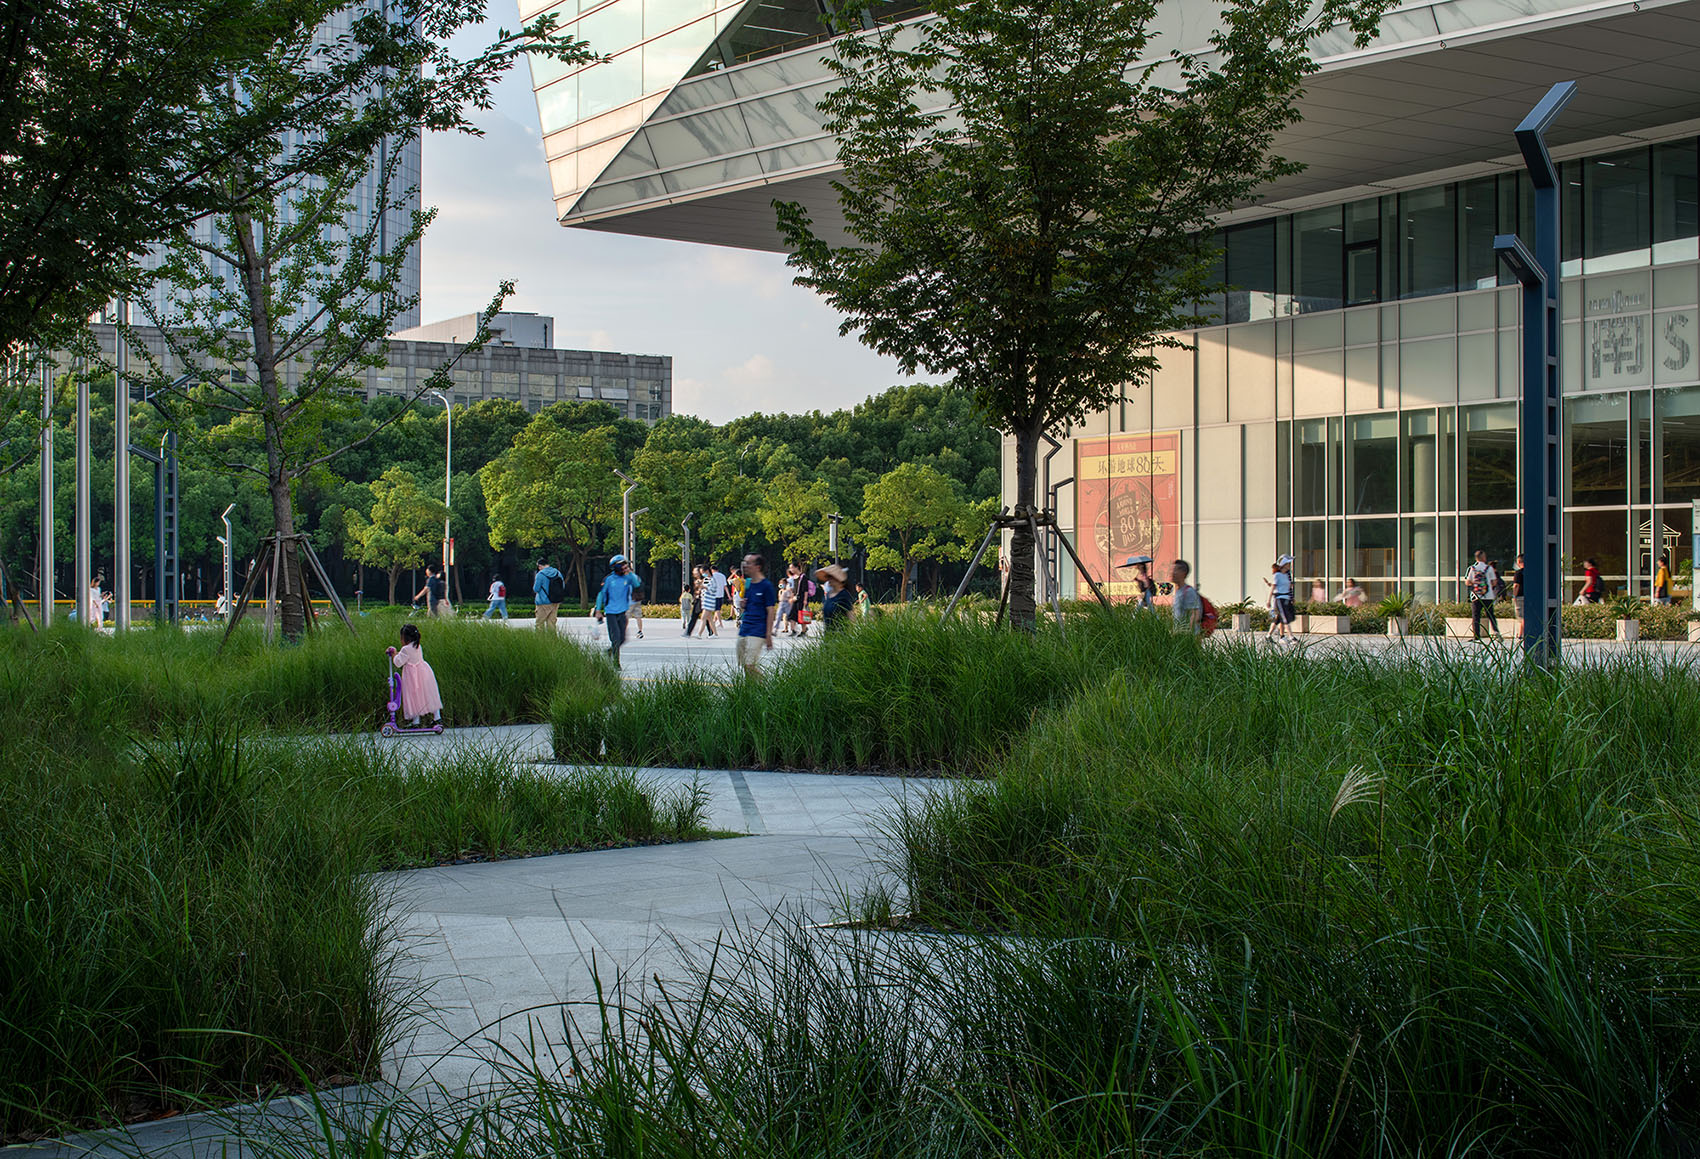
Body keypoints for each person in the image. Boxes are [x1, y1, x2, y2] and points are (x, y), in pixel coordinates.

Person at [387, 622, 443, 728]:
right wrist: (398, 653)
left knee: (413, 697)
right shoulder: (417, 646)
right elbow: (408, 656)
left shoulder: (405, 649)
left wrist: (394, 653)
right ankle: (437, 717)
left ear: (405, 638)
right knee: (428, 694)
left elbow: (398, 662)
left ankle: (416, 721)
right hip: (424, 672)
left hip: (412, 676)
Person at [594, 554, 644, 668]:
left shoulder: (627, 578)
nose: (624, 567)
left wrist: (629, 572)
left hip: (622, 612)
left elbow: (637, 584)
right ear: (615, 567)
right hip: (611, 612)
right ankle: (616, 663)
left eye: (625, 564)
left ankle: (610, 651)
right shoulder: (609, 579)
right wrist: (598, 610)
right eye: (622, 565)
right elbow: (601, 594)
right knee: (615, 638)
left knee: (622, 638)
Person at [737, 553, 778, 677]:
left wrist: (768, 635)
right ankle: (751, 687)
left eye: (748, 563)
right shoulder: (748, 583)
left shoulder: (766, 586)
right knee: (744, 664)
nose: (745, 565)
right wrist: (743, 604)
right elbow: (747, 604)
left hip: (758, 630)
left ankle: (765, 685)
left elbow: (771, 611)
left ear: (758, 567)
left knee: (750, 664)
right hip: (744, 628)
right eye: (744, 562)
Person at [1463, 549, 1500, 641]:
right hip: (1488, 596)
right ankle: (1496, 631)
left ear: (1476, 558)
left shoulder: (1472, 569)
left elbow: (1468, 582)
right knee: (1490, 614)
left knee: (1476, 616)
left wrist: (1475, 585)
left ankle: (1476, 635)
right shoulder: (1489, 568)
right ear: (1483, 558)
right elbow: (1494, 582)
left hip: (1476, 596)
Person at [1264, 556, 1295, 644]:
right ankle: (1291, 637)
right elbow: (1273, 588)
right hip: (1279, 599)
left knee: (1278, 619)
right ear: (1284, 565)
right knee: (1285, 618)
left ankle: (1268, 636)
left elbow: (1288, 587)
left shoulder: (1286, 575)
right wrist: (1269, 600)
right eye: (1288, 564)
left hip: (1286, 598)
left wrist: (1291, 597)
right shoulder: (1277, 575)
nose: (1289, 566)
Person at [1169, 559, 1202, 634]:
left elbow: (1195, 614)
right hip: (1180, 634)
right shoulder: (1178, 592)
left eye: (1175, 570)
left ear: (1183, 573)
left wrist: (1186, 632)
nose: (1172, 573)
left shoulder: (1189, 592)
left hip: (1189, 636)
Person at [816, 563, 853, 630]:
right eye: (828, 577)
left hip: (841, 633)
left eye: (831, 577)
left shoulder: (844, 595)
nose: (828, 579)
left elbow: (850, 616)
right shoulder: (828, 594)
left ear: (837, 579)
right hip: (828, 633)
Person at [533, 560, 563, 632]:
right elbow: (563, 586)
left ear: (540, 566)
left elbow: (536, 589)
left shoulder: (540, 574)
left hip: (543, 602)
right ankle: (552, 638)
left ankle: (540, 639)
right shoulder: (557, 573)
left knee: (539, 624)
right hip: (555, 601)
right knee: (552, 624)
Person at [702, 564, 727, 636]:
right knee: (716, 610)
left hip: (712, 596)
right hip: (721, 595)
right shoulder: (722, 576)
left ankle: (719, 623)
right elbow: (725, 586)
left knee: (715, 611)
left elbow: (706, 587)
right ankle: (714, 626)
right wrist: (728, 595)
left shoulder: (711, 577)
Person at [1512, 553, 1526, 623]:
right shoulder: (1531, 573)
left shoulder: (1518, 573)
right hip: (1529, 596)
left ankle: (1522, 630)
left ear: (1519, 561)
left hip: (1520, 597)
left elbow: (1516, 586)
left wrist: (1514, 596)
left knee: (1521, 618)